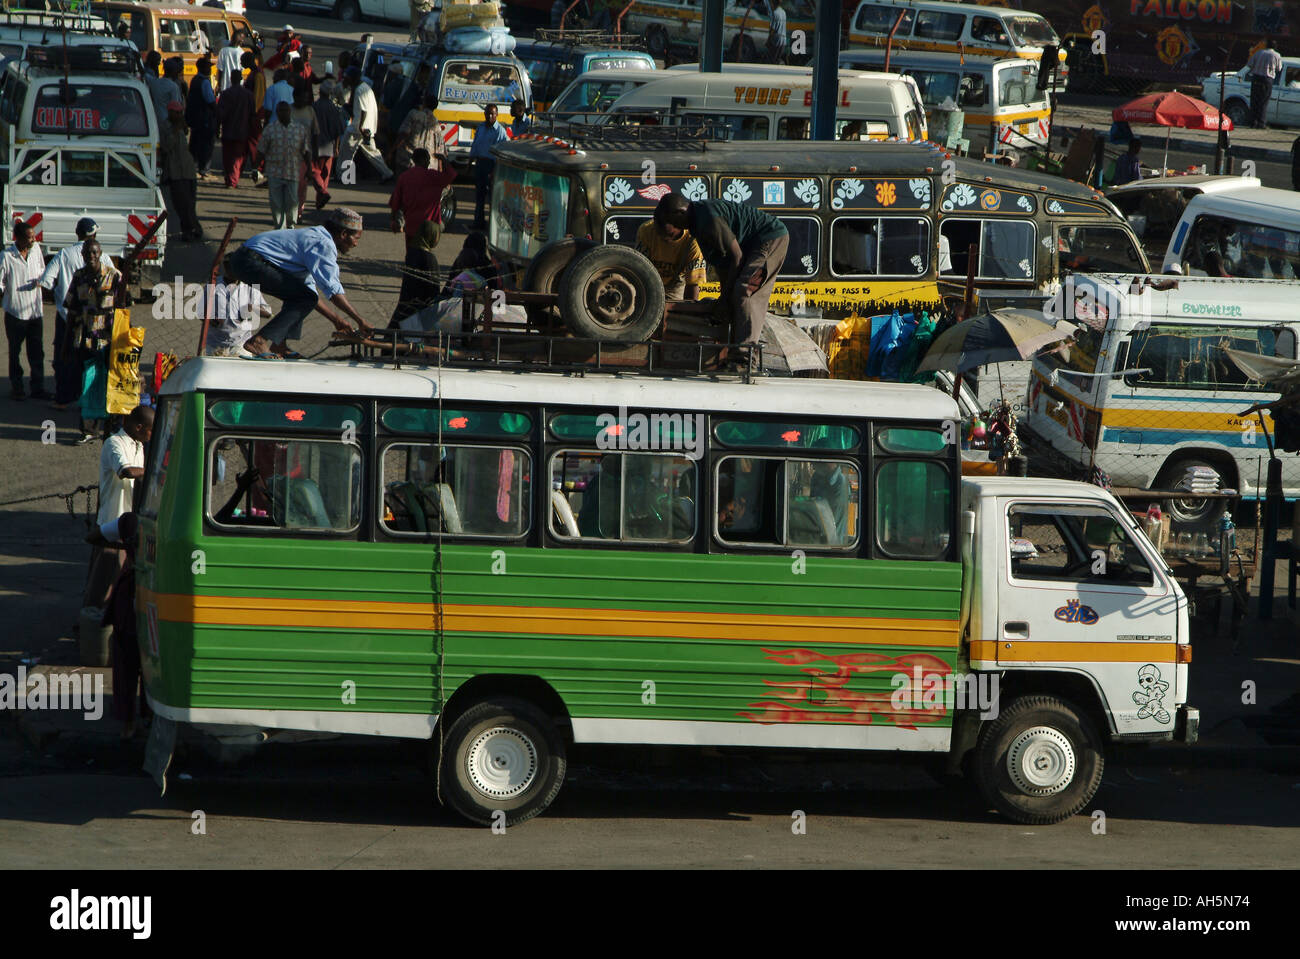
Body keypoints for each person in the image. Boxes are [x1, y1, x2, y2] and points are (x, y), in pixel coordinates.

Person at [229, 208, 374, 359]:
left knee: (302, 295)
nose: (356, 244)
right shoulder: (323, 243)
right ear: (344, 234)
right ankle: (259, 341)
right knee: (303, 298)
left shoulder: (316, 237)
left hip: (245, 259)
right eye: (356, 238)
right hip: (250, 261)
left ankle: (279, 345)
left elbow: (309, 289)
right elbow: (333, 290)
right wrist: (360, 320)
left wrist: (336, 320)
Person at [652, 194, 789, 348]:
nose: (674, 226)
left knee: (745, 291)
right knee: (731, 298)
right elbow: (724, 265)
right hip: (750, 247)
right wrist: (724, 299)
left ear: (680, 213)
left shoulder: (707, 218)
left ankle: (745, 355)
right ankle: (730, 348)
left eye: (672, 221)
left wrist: (725, 299)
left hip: (769, 238)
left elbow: (737, 256)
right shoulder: (696, 227)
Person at [83, 406, 152, 612]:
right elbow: (127, 471)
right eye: (150, 429)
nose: (152, 434)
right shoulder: (114, 443)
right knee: (102, 583)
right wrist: (154, 471)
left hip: (129, 524)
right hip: (113, 523)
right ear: (139, 427)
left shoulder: (138, 446)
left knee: (119, 582)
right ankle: (91, 625)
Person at [41, 218, 113, 412]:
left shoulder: (64, 254)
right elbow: (119, 283)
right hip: (98, 325)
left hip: (68, 318)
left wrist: (56, 296)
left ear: (77, 233)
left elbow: (46, 281)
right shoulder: (102, 257)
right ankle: (93, 402)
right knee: (93, 363)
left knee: (66, 359)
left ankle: (64, 399)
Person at [63, 239, 121, 444]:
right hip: (85, 340)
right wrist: (65, 343)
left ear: (101, 253)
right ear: (82, 255)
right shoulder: (79, 277)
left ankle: (110, 428)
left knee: (108, 383)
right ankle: (88, 429)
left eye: (95, 252)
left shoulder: (114, 277)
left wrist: (123, 341)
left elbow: (125, 310)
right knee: (86, 383)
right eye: (87, 253)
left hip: (108, 341)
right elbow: (71, 311)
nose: (91, 256)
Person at [1, 220, 46, 401]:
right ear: (18, 238)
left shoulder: (36, 251)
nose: (33, 240)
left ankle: (38, 388)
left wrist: (40, 281)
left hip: (35, 312)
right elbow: (1, 281)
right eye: (29, 237)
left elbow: (43, 270)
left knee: (37, 352)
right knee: (15, 352)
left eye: (33, 236)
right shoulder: (6, 256)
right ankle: (17, 387)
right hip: (15, 313)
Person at [389, 146, 457, 248]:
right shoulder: (433, 176)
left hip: (411, 225)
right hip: (430, 226)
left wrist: (394, 220)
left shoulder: (404, 177)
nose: (429, 163)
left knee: (411, 254)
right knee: (425, 254)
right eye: (428, 160)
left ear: (413, 160)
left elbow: (395, 202)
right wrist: (443, 160)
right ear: (425, 160)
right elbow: (451, 175)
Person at [205, 254, 272, 356]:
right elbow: (201, 311)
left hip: (241, 344)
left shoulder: (250, 287)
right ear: (225, 267)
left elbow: (268, 313)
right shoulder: (213, 284)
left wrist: (252, 308)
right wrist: (210, 320)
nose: (234, 271)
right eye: (230, 267)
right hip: (215, 344)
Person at [260, 100, 312, 230]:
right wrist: (256, 168)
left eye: (286, 111)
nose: (283, 114)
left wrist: (309, 169)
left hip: (292, 171)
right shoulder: (270, 129)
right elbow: (261, 150)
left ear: (290, 112)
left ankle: (291, 225)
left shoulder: (299, 130)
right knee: (276, 204)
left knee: (292, 202)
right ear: (277, 113)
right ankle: (279, 229)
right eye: (280, 111)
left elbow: (306, 151)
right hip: (274, 172)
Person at [338, 66, 394, 182]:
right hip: (366, 128)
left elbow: (363, 110)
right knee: (372, 152)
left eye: (347, 77)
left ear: (352, 78)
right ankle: (387, 173)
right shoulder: (365, 87)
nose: (345, 80)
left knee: (346, 152)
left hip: (358, 129)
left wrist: (360, 127)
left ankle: (344, 177)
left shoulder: (359, 90)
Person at [160, 101, 203, 241]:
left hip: (188, 170)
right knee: (181, 204)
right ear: (170, 112)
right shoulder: (165, 127)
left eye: (180, 113)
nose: (179, 115)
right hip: (175, 172)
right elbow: (165, 147)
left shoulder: (183, 127)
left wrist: (183, 128)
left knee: (190, 203)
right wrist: (174, 130)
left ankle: (191, 229)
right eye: (176, 113)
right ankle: (192, 229)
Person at [635, 218, 706, 300]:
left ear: (681, 227)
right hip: (648, 282)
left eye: (670, 235)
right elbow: (638, 269)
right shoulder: (646, 230)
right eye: (660, 234)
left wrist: (687, 310)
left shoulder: (693, 240)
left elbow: (693, 284)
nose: (665, 239)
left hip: (675, 285)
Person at [389, 220, 443, 328]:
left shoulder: (412, 253)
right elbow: (433, 289)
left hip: (405, 306)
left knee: (394, 337)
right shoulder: (429, 259)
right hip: (420, 312)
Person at [470, 103, 509, 229]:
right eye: (488, 113)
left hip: (492, 165)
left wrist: (495, 170)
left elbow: (502, 153)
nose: (490, 116)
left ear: (497, 115)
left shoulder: (500, 131)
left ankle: (493, 225)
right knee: (479, 195)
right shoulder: (481, 128)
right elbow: (475, 145)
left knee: (493, 197)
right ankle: (478, 222)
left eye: (493, 113)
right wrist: (470, 163)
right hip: (480, 163)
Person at [217, 70, 254, 187]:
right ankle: (233, 179)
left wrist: (217, 128)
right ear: (241, 79)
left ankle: (230, 179)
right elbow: (253, 114)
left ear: (231, 79)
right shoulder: (248, 95)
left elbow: (220, 114)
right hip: (242, 131)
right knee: (238, 158)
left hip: (228, 130)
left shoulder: (225, 94)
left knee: (228, 157)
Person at [393, 91, 444, 173]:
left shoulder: (413, 115)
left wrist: (391, 151)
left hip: (410, 162)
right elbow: (440, 149)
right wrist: (440, 170)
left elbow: (403, 134)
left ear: (424, 103)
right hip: (429, 167)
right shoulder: (436, 124)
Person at [440, 231, 500, 298]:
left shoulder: (461, 260)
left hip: (454, 303)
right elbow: (494, 291)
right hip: (482, 305)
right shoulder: (488, 266)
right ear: (484, 246)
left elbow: (448, 286)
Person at [186, 56, 218, 177]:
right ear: (202, 68)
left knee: (195, 144)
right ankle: (204, 170)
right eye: (208, 67)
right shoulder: (204, 82)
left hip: (196, 119)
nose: (210, 69)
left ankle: (194, 168)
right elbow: (210, 101)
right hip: (205, 119)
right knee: (206, 145)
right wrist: (216, 114)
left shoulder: (194, 80)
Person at [313, 80, 347, 191]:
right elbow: (338, 130)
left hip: (315, 144)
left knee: (315, 170)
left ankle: (322, 193)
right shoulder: (334, 109)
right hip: (329, 146)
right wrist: (336, 147)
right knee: (326, 173)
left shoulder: (314, 106)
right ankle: (323, 192)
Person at [1247, 40, 1282, 128]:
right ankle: (1261, 123)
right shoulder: (1276, 55)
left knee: (1254, 101)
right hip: (1267, 79)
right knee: (1263, 102)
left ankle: (1252, 122)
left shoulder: (1259, 53)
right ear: (1275, 46)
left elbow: (1250, 64)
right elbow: (1279, 68)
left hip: (1256, 78)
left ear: (1266, 45)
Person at [144, 50, 181, 121]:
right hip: (167, 121)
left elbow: (144, 74)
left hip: (155, 119)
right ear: (174, 71)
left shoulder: (154, 82)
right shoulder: (173, 86)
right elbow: (175, 107)